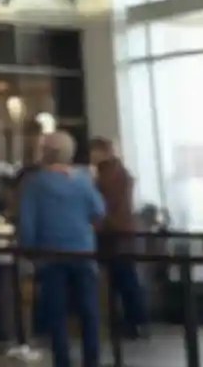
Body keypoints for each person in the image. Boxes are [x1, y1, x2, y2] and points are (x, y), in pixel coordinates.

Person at [18, 131, 104, 367]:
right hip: (82, 250)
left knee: (57, 313)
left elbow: (27, 222)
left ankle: (62, 360)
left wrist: (28, 250)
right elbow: (98, 210)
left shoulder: (35, 184)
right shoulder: (82, 180)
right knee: (89, 310)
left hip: (50, 255)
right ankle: (91, 359)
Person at [89, 137, 150, 340]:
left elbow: (106, 204)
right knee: (123, 278)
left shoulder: (110, 175)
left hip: (115, 233)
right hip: (119, 232)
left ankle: (135, 321)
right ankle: (132, 321)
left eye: (94, 151)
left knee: (124, 278)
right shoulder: (117, 172)